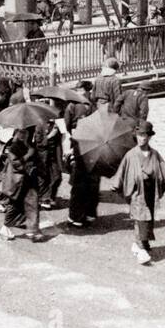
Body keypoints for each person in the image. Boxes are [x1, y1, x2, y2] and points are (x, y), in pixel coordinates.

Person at [113, 120, 165, 265]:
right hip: (137, 191)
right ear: (136, 135)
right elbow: (123, 172)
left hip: (150, 190)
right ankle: (140, 248)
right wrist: (117, 184)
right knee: (140, 218)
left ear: (150, 137)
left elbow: (164, 170)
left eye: (145, 135)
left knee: (148, 218)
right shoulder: (131, 155)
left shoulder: (154, 154)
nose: (142, 138)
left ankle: (140, 243)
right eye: (140, 135)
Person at [0, 128, 44, 242]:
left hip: (30, 179)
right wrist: (28, 155)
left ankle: (33, 230)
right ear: (16, 133)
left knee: (33, 202)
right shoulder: (13, 147)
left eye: (25, 132)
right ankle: (5, 228)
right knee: (15, 204)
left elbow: (37, 160)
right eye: (20, 132)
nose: (23, 135)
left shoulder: (29, 145)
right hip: (18, 181)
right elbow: (16, 164)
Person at [65, 82, 99, 227]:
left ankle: (76, 215)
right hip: (89, 143)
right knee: (87, 181)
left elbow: (67, 124)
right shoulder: (91, 105)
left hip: (78, 141)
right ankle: (83, 214)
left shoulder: (71, 105)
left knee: (79, 181)